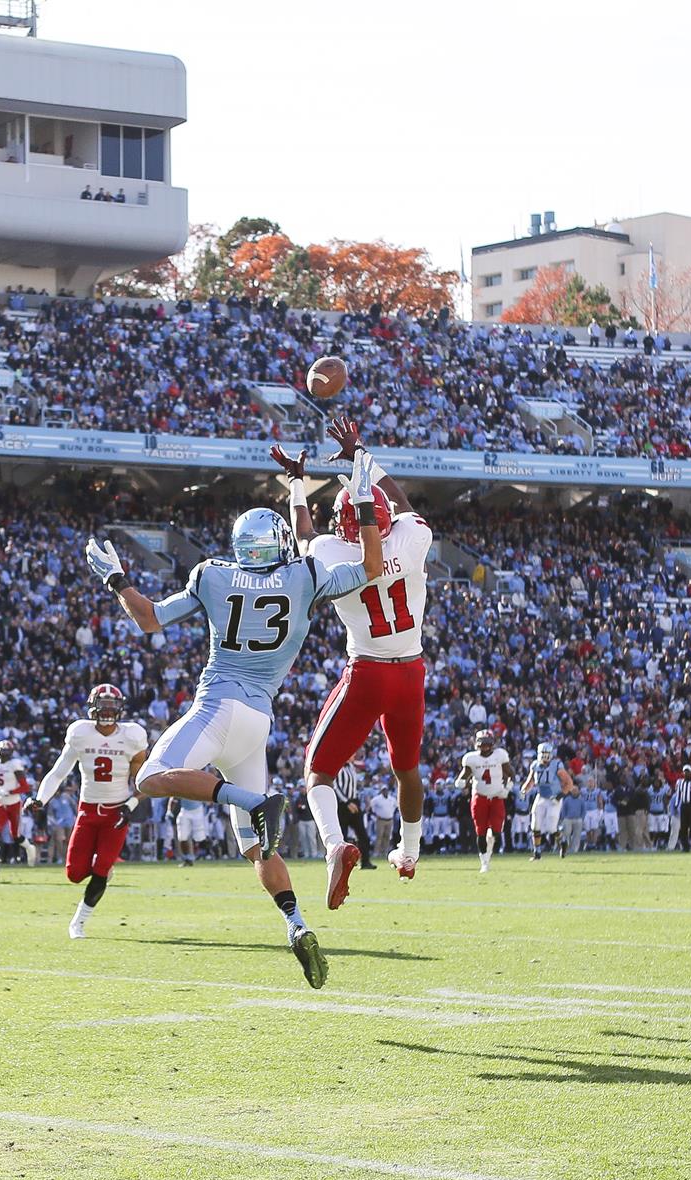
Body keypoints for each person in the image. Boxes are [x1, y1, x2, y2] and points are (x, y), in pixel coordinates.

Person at [84, 465, 383, 989]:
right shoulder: (306, 577)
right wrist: (358, 507)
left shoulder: (212, 574)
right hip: (257, 723)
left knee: (150, 779)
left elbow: (150, 619)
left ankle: (253, 805)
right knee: (257, 849)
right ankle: (296, 924)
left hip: (218, 706)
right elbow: (374, 567)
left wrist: (116, 579)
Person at [276, 416, 435, 901]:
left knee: (318, 772)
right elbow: (403, 504)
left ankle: (334, 847)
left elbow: (303, 533)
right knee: (406, 769)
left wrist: (297, 484)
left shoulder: (332, 552)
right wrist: (361, 454)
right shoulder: (411, 539)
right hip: (410, 671)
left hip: (366, 672)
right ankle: (408, 853)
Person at [29, 684, 150, 939]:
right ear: (92, 707)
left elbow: (145, 781)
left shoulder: (132, 736)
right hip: (87, 809)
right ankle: (103, 871)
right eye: (102, 705)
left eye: (111, 706)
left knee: (102, 867)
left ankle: (78, 923)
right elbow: (59, 772)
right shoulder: (80, 733)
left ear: (120, 708)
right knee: (74, 874)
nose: (107, 711)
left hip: (117, 812)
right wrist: (40, 799)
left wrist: (131, 805)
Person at [457, 729, 512, 873]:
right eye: (482, 744)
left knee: (496, 832)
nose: (485, 747)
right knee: (480, 831)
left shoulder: (500, 755)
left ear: (492, 744)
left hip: (496, 797)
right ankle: (484, 862)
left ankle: (489, 848)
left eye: (487, 744)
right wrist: (460, 782)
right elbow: (465, 776)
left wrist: (507, 789)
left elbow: (511, 774)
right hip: (479, 797)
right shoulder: (471, 758)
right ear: (477, 744)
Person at [521, 743, 574, 861]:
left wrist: (560, 796)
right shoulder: (535, 765)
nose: (545, 757)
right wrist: (523, 790)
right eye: (543, 754)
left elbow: (569, 783)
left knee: (551, 828)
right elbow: (530, 782)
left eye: (547, 754)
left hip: (554, 798)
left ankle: (563, 842)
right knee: (535, 824)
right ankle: (537, 852)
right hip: (540, 796)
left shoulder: (557, 765)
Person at [0, 738, 32, 863]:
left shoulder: (14, 765)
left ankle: (29, 848)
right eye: (2, 751)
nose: (3, 754)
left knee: (16, 836)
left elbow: (25, 787)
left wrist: (9, 792)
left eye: (5, 751)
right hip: (0, 803)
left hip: (13, 803)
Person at [171, 796, 209, 867]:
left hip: (198, 810)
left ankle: (205, 854)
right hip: (184, 811)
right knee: (182, 837)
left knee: (199, 838)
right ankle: (187, 858)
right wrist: (169, 811)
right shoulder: (179, 785)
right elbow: (173, 798)